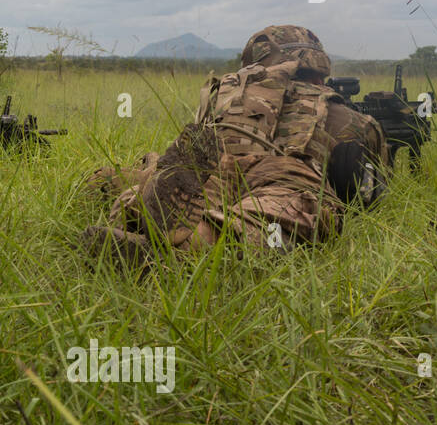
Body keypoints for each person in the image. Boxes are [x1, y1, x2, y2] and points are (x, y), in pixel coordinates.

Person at [84, 24, 387, 261]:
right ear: (318, 70)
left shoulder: (229, 98)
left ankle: (131, 208)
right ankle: (194, 246)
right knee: (277, 216)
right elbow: (368, 180)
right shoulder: (336, 110)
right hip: (282, 176)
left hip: (214, 170)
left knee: (174, 182)